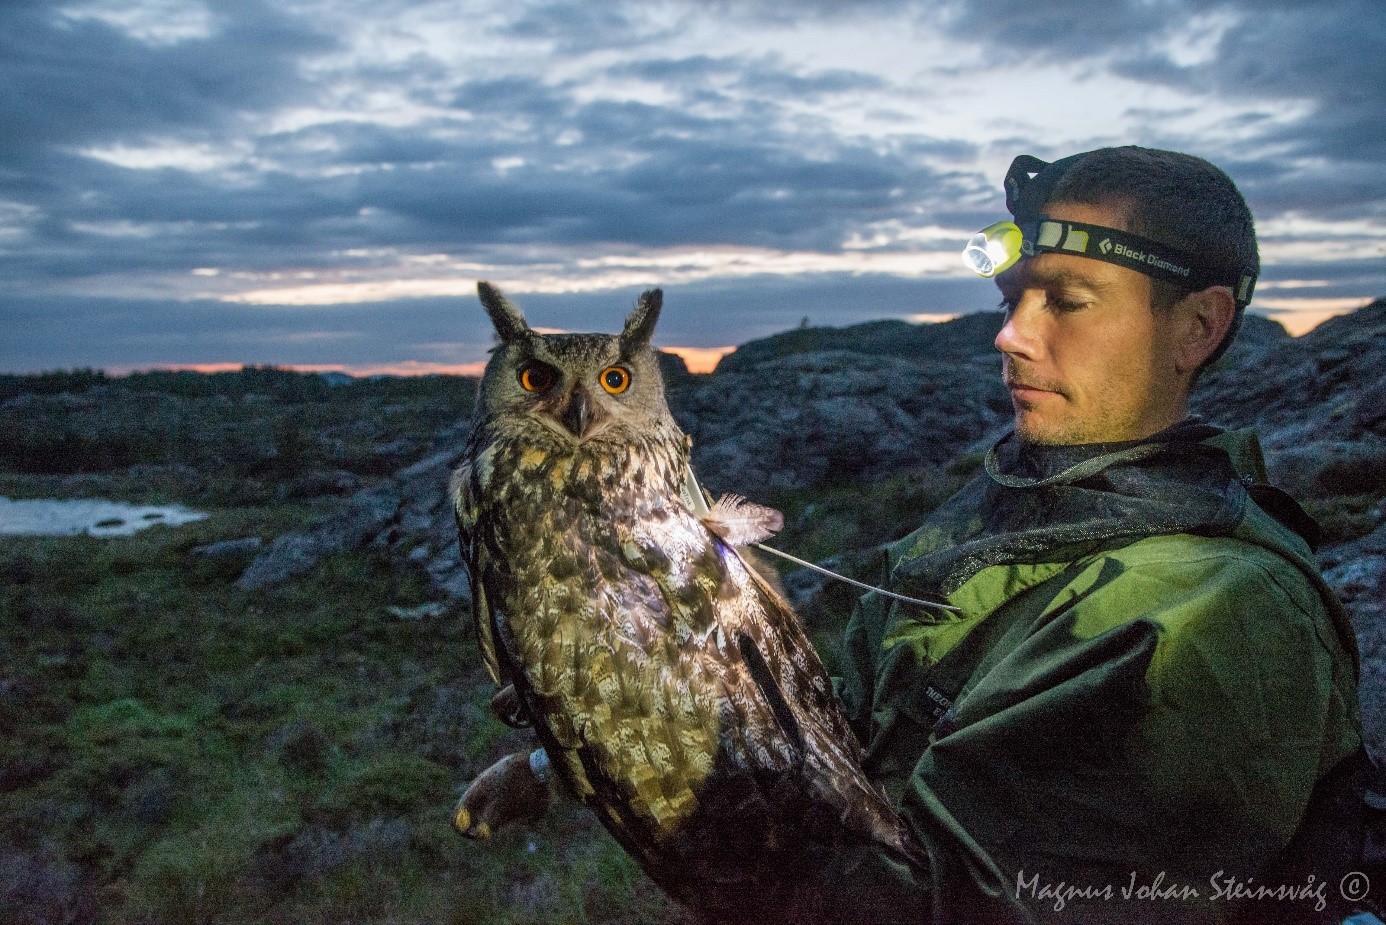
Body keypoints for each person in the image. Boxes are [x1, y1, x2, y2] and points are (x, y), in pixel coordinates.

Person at [455, 146, 1375, 924]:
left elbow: (955, 905)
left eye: (1068, 300)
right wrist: (562, 752)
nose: (1009, 335)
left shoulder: (1211, 619)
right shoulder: (1013, 512)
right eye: (1014, 296)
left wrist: (661, 774)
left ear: (1198, 327)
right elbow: (848, 725)